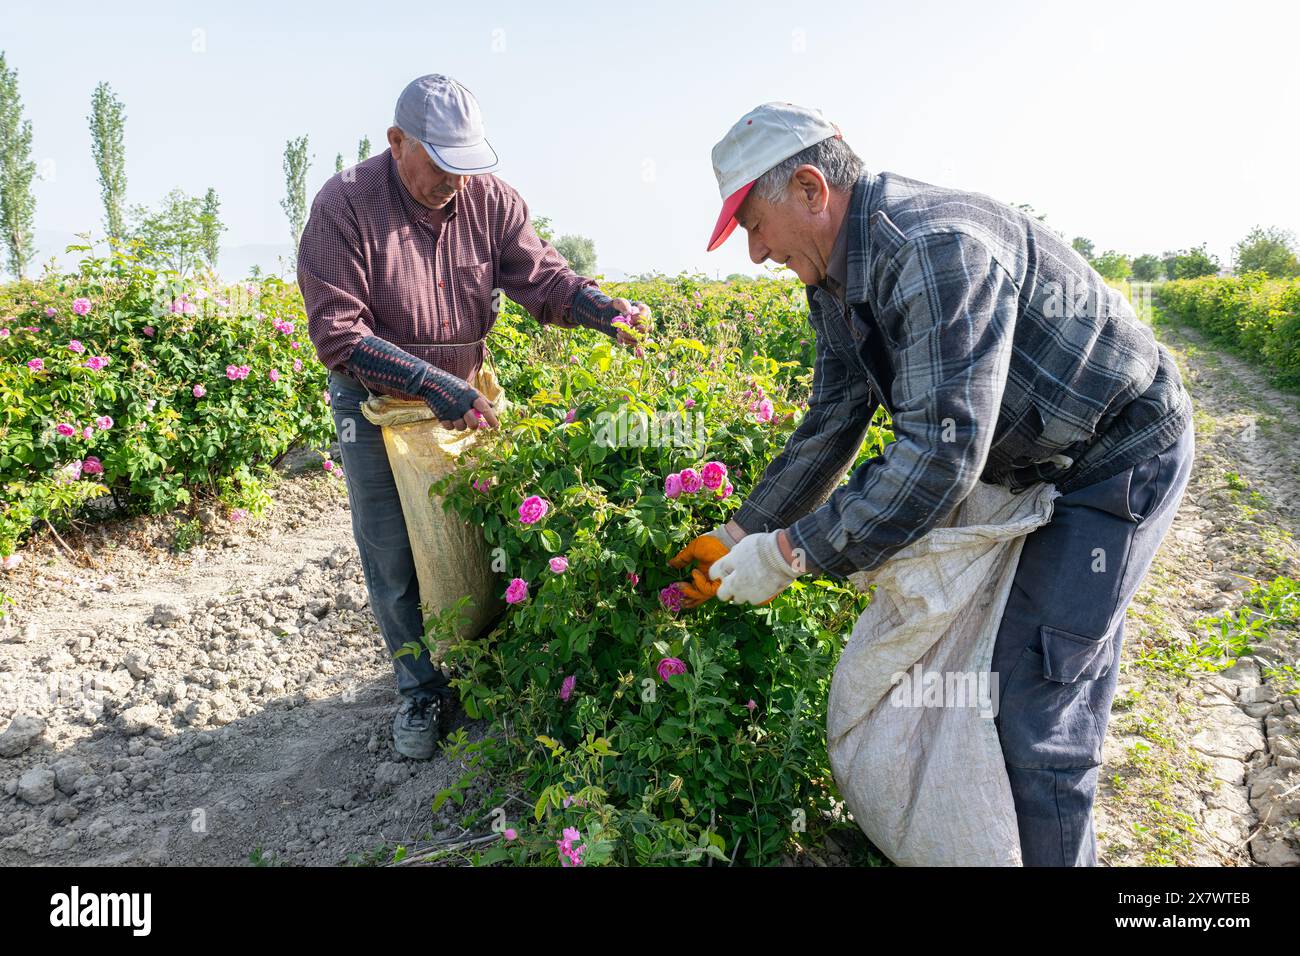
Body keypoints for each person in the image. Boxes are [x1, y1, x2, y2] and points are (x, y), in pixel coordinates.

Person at [671, 101, 1194, 865]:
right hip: (1027, 458)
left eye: (754, 225)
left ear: (812, 191)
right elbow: (833, 417)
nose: (754, 253)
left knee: (1035, 705)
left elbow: (942, 457)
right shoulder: (834, 280)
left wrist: (792, 553)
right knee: (989, 682)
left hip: (1115, 461)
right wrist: (744, 531)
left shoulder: (934, 250)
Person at [298, 74, 646, 760]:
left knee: (478, 530)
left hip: (465, 392)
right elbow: (338, 334)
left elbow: (543, 278)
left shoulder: (488, 201)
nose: (456, 180)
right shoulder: (344, 207)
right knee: (392, 547)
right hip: (376, 403)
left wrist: (604, 311)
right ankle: (419, 689)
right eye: (441, 164)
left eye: (469, 165)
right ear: (397, 143)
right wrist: (432, 387)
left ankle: (485, 659)